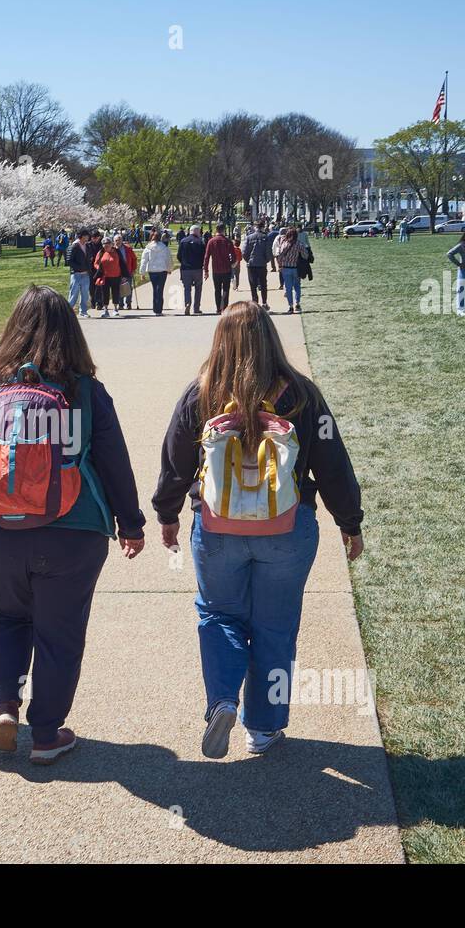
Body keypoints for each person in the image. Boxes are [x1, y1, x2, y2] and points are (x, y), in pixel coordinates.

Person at [0, 285, 145, 764]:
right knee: (60, 633)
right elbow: (114, 461)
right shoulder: (85, 390)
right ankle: (45, 735)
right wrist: (130, 522)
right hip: (71, 530)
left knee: (8, 614)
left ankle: (5, 707)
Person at [152, 302, 364, 758]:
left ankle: (224, 699)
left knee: (219, 614)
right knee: (276, 626)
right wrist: (350, 522)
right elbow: (332, 465)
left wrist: (167, 515)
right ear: (271, 338)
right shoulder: (303, 396)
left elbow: (175, 462)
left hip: (217, 528)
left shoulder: (201, 394)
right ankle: (263, 728)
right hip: (286, 530)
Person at [272, 228, 309, 314]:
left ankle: (290, 306)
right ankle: (298, 303)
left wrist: (280, 264)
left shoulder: (284, 244)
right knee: (297, 286)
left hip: (286, 268)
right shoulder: (299, 244)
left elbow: (279, 256)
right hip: (296, 268)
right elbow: (305, 256)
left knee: (288, 288)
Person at [203, 224, 238, 314]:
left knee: (217, 289)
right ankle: (225, 307)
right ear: (223, 230)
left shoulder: (211, 241)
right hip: (226, 269)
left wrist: (206, 270)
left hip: (216, 270)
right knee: (226, 289)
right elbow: (233, 256)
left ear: (216, 230)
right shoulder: (227, 241)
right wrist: (232, 263)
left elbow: (206, 257)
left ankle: (218, 308)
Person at [91, 235, 127, 318]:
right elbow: (95, 263)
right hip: (105, 277)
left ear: (111, 244)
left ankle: (115, 309)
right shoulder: (101, 252)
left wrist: (124, 274)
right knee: (105, 294)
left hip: (116, 276)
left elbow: (122, 263)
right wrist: (99, 268)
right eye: (104, 245)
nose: (106, 247)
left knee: (116, 293)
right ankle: (106, 310)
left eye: (108, 245)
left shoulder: (117, 252)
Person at [139, 228, 172, 315]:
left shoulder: (148, 248)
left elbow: (144, 261)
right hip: (162, 270)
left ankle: (155, 309)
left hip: (152, 271)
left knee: (155, 289)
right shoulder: (164, 247)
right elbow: (168, 259)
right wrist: (169, 269)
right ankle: (159, 309)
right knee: (160, 289)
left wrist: (142, 272)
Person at [242, 222, 273, 309]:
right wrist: (266, 260)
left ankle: (255, 302)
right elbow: (268, 252)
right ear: (262, 227)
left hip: (251, 264)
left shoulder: (249, 237)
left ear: (255, 227)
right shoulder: (265, 238)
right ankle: (264, 302)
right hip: (262, 264)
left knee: (253, 285)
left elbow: (244, 252)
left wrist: (248, 260)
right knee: (263, 284)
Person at [177, 224, 206, 315]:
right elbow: (204, 256)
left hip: (185, 269)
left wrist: (184, 262)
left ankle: (187, 303)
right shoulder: (200, 242)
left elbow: (179, 256)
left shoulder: (183, 241)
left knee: (187, 288)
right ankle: (196, 308)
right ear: (197, 232)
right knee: (198, 288)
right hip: (197, 268)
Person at [66, 230, 92, 317]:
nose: (88, 237)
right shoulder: (74, 246)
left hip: (85, 274)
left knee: (85, 294)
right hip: (76, 274)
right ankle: (68, 312)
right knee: (74, 294)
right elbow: (69, 261)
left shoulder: (87, 246)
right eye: (87, 236)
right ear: (82, 236)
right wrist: (79, 268)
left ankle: (83, 311)